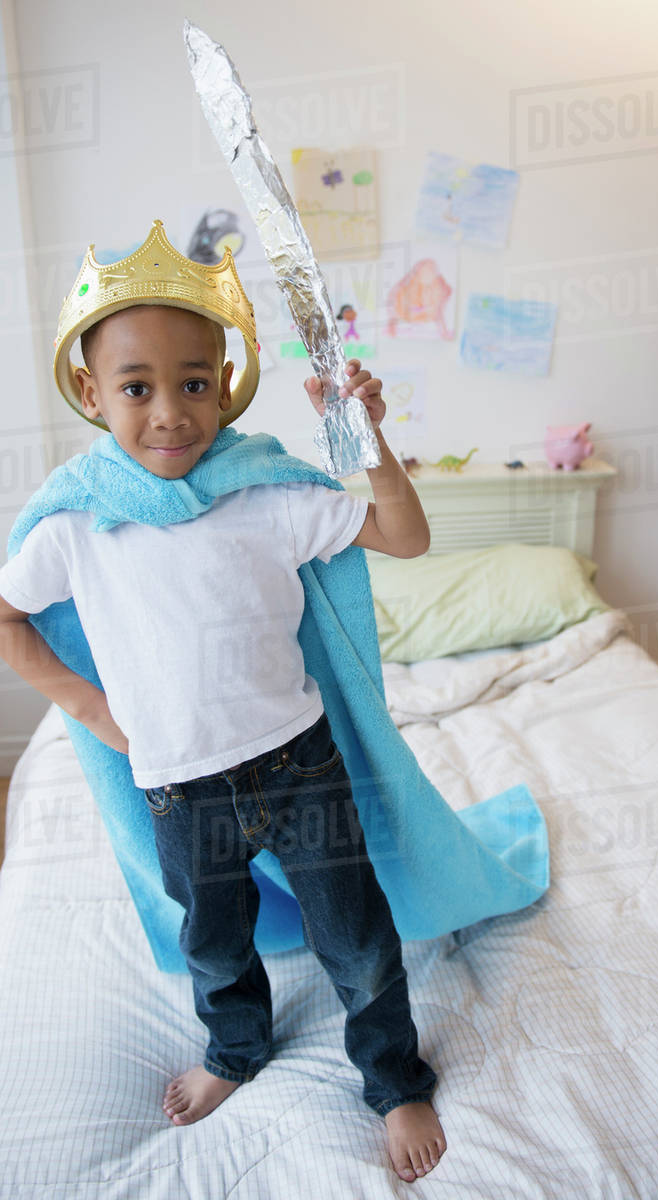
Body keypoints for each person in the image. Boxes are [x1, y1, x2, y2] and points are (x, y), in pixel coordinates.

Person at [0, 223, 446, 1184]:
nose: (170, 412)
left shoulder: (266, 490)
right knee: (214, 945)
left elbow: (404, 538)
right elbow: (5, 613)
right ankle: (234, 1052)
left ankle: (393, 1074)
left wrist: (372, 442)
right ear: (90, 392)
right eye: (136, 387)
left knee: (357, 936)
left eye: (193, 383)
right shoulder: (77, 517)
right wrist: (88, 705)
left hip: (299, 762)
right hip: (179, 789)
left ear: (227, 380)